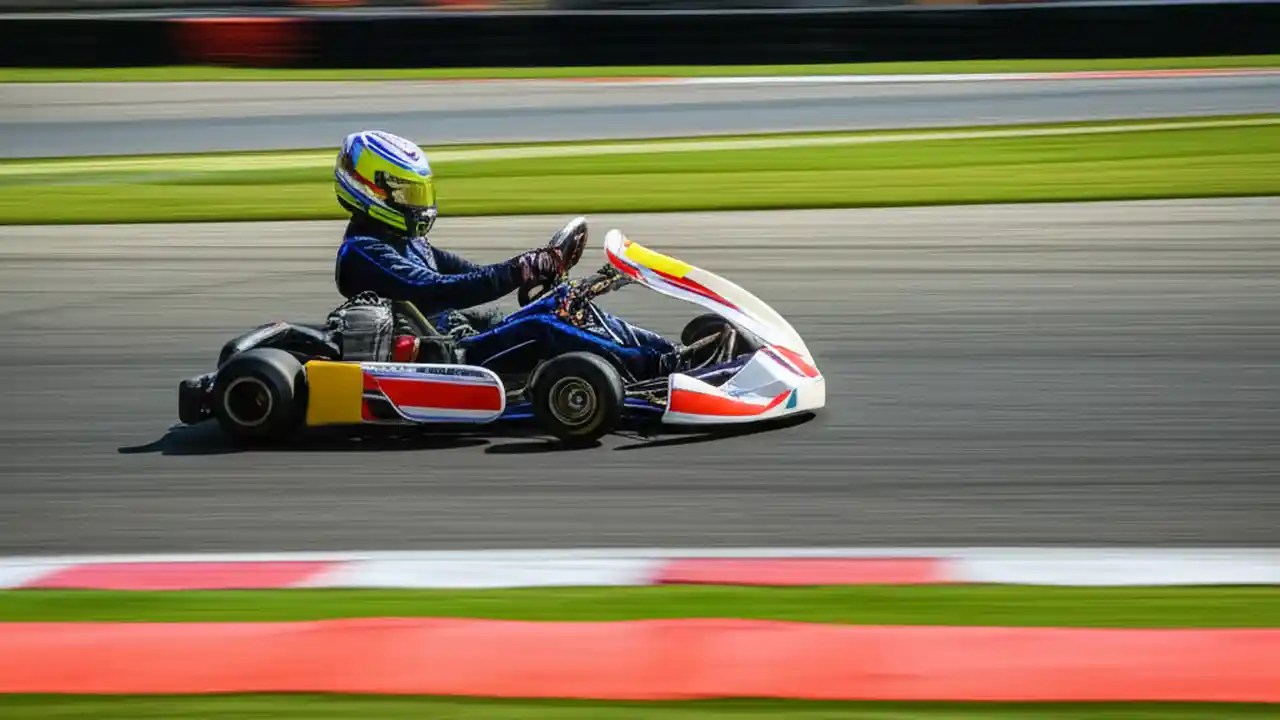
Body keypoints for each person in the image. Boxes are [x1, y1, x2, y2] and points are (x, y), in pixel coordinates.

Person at [330, 130, 680, 380]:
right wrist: (520, 269)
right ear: (368, 190)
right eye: (407, 193)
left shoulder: (404, 240)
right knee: (541, 328)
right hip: (444, 361)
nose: (417, 203)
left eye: (419, 192)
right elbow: (439, 290)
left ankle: (669, 353)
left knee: (562, 302)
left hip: (457, 337)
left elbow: (471, 275)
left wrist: (531, 270)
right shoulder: (362, 253)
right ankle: (654, 369)